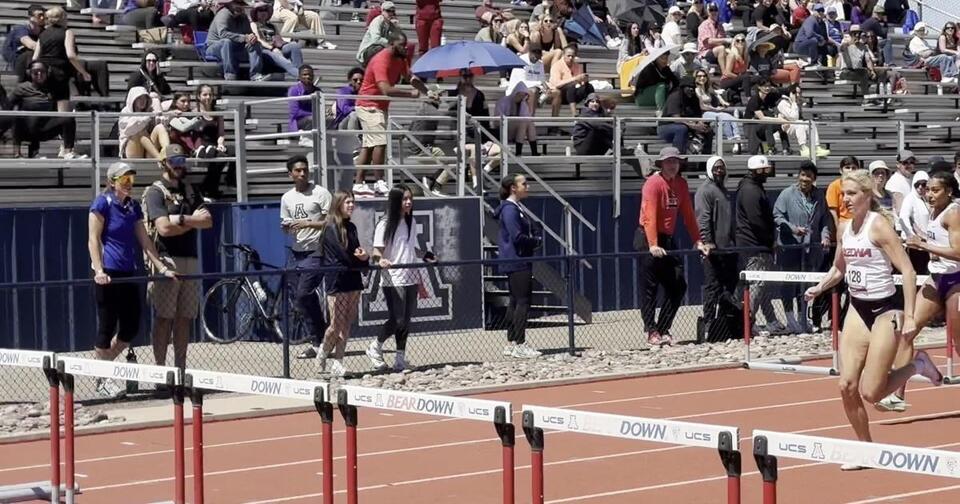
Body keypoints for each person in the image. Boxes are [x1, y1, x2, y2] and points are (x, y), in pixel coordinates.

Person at [803, 169, 941, 460]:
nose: (846, 200)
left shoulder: (879, 226)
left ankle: (917, 365)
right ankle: (865, 447)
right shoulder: (843, 228)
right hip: (858, 307)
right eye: (843, 194)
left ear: (867, 195)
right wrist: (819, 286)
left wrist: (912, 317)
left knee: (872, 393)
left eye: (852, 194)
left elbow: (907, 269)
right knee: (846, 385)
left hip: (886, 310)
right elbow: (839, 268)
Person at [89, 162, 175, 397]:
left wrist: (161, 267)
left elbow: (145, 241)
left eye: (131, 180)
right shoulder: (102, 203)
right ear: (112, 182)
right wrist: (99, 270)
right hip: (108, 272)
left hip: (128, 271)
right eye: (124, 180)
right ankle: (104, 379)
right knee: (107, 325)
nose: (129, 185)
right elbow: (93, 240)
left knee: (131, 326)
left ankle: (102, 369)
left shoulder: (133, 206)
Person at [890, 171, 960, 412]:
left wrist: (923, 244)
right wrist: (918, 240)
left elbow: (958, 252)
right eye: (927, 189)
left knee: (958, 342)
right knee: (907, 331)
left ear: (949, 191)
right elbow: (937, 243)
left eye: (935, 190)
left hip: (957, 282)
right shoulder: (933, 211)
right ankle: (896, 393)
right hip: (936, 278)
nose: (929, 194)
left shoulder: (954, 213)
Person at [144, 144, 213, 369]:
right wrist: (190, 220)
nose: (180, 166)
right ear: (164, 163)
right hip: (166, 258)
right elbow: (163, 229)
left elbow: (208, 221)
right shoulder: (155, 191)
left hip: (190, 258)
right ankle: (160, 369)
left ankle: (180, 367)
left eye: (182, 161)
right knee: (164, 317)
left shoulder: (190, 189)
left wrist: (179, 221)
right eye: (175, 162)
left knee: (185, 317)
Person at [637, 147, 708, 346]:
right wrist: (652, 244)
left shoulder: (681, 184)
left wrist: (698, 240)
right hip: (647, 237)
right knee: (649, 288)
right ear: (661, 164)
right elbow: (649, 215)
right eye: (669, 161)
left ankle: (663, 327)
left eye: (675, 161)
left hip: (667, 238)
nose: (673, 165)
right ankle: (651, 331)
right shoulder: (652, 183)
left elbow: (688, 215)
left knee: (678, 285)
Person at [367, 184, 437, 371]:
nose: (408, 203)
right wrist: (380, 260)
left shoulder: (410, 222)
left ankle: (400, 358)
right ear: (396, 201)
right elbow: (376, 251)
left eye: (410, 199)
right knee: (396, 318)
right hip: (392, 276)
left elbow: (408, 248)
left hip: (411, 274)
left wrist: (425, 254)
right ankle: (375, 346)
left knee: (406, 320)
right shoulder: (384, 224)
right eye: (404, 199)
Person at [354, 31, 429, 198]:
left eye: (405, 44)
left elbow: (410, 77)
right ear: (391, 44)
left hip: (379, 106)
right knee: (380, 141)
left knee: (369, 145)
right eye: (401, 45)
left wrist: (427, 92)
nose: (404, 48)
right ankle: (379, 181)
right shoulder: (381, 59)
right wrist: (411, 95)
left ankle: (358, 184)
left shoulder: (400, 58)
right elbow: (386, 89)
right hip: (368, 105)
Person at [280, 155, 332, 360]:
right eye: (298, 170)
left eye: (305, 169)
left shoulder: (320, 193)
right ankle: (318, 340)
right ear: (290, 174)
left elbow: (331, 221)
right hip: (296, 250)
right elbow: (285, 223)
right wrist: (286, 227)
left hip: (316, 250)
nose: (302, 173)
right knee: (301, 300)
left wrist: (309, 224)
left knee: (304, 294)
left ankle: (323, 337)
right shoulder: (287, 198)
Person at [774, 161, 832, 333]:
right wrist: (792, 229)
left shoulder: (819, 196)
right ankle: (790, 317)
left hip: (809, 249)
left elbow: (824, 220)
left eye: (808, 176)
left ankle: (802, 317)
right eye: (802, 175)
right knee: (788, 284)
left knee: (805, 284)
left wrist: (825, 236)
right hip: (790, 247)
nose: (805, 179)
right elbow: (777, 216)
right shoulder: (787, 194)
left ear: (814, 178)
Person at [318, 191, 369, 377]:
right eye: (347, 202)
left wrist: (365, 258)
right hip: (337, 279)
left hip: (353, 278)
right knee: (336, 324)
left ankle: (338, 361)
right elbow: (342, 256)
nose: (351, 205)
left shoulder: (352, 227)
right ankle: (323, 351)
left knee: (347, 322)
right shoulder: (331, 227)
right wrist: (361, 260)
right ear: (338, 204)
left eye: (353, 202)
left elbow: (356, 251)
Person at [494, 174, 543, 358]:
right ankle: (520, 343)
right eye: (524, 184)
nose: (527, 186)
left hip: (515, 259)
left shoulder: (515, 208)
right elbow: (516, 237)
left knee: (515, 301)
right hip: (517, 260)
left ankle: (511, 342)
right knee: (522, 301)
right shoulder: (510, 210)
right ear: (513, 188)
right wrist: (535, 241)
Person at [736, 155, 784, 334]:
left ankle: (770, 319)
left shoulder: (754, 187)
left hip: (758, 244)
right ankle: (748, 323)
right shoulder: (751, 190)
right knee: (757, 283)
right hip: (755, 245)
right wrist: (769, 240)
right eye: (762, 170)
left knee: (763, 284)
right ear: (754, 171)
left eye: (767, 169)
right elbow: (756, 220)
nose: (766, 173)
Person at [695, 156, 740, 342]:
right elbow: (702, 218)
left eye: (722, 167)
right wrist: (707, 242)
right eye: (716, 168)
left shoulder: (723, 190)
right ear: (709, 169)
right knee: (712, 287)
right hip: (712, 250)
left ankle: (722, 326)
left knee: (729, 288)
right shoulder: (705, 191)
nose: (719, 171)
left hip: (728, 249)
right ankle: (707, 325)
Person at [10, 61, 81, 160]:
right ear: (29, 73)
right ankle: (18, 154)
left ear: (47, 73)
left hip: (44, 128)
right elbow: (8, 105)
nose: (39, 74)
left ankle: (68, 152)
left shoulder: (52, 88)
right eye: (35, 72)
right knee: (15, 116)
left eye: (42, 72)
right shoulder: (21, 88)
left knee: (68, 119)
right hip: (26, 129)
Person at [33, 6, 96, 112]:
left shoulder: (42, 34)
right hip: (60, 74)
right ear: (62, 18)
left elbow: (35, 57)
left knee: (46, 109)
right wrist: (84, 73)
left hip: (44, 73)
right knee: (63, 111)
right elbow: (71, 55)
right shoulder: (67, 32)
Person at [206, 0, 266, 82]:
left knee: (255, 43)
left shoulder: (243, 17)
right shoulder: (223, 14)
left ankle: (255, 75)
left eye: (241, 4)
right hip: (214, 47)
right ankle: (230, 74)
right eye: (237, 3)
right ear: (230, 4)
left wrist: (252, 37)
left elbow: (249, 33)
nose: (239, 6)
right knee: (226, 42)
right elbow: (223, 34)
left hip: (235, 48)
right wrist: (244, 38)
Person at [250, 1, 303, 79]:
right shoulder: (254, 24)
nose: (263, 12)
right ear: (256, 13)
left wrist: (283, 45)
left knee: (294, 46)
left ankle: (300, 71)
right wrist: (272, 48)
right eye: (260, 10)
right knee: (286, 62)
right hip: (264, 51)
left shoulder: (272, 26)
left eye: (265, 10)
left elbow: (279, 40)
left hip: (276, 49)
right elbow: (258, 40)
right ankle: (302, 77)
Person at [659, 76, 712, 154]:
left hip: (687, 126)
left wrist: (700, 124)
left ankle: (704, 162)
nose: (691, 89)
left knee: (708, 131)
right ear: (683, 87)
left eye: (693, 87)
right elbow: (676, 118)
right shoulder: (675, 96)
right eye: (688, 87)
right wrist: (693, 126)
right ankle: (678, 156)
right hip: (666, 127)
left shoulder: (694, 98)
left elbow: (698, 116)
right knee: (681, 129)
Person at [776, 84, 829, 157]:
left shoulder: (796, 102)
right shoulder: (783, 103)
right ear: (790, 93)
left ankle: (817, 147)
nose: (797, 95)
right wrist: (794, 103)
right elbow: (793, 117)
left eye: (799, 93)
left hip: (794, 125)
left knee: (810, 123)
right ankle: (803, 148)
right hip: (785, 127)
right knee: (800, 123)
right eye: (795, 93)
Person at [694, 68, 741, 144]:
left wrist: (723, 102)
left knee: (731, 118)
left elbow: (717, 94)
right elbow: (702, 106)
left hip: (712, 112)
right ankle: (731, 139)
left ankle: (737, 137)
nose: (702, 78)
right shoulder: (697, 90)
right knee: (724, 117)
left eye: (704, 76)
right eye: (699, 76)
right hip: (704, 113)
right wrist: (715, 109)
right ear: (695, 77)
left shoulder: (707, 89)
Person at [898, 171, 931, 275]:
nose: (920, 187)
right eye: (918, 184)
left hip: (924, 244)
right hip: (914, 246)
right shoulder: (910, 198)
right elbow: (903, 218)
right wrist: (911, 236)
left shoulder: (924, 200)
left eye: (924, 184)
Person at [548, 44, 593, 117]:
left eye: (572, 56)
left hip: (575, 92)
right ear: (563, 55)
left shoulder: (577, 66)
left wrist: (584, 80)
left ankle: (591, 111)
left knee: (589, 86)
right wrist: (574, 79)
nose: (571, 58)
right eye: (568, 56)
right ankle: (574, 113)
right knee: (571, 86)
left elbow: (580, 82)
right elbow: (557, 84)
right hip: (561, 94)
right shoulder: (556, 66)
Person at [271, 0, 336, 50]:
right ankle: (283, 42)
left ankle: (321, 41)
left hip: (295, 9)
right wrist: (292, 9)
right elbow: (283, 1)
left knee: (314, 16)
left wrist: (300, 9)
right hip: (281, 9)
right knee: (292, 17)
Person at [3, 4, 44, 83]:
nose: (42, 18)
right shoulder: (21, 29)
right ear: (30, 18)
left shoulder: (44, 31)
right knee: (29, 54)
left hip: (33, 65)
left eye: (43, 15)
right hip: (16, 63)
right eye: (39, 15)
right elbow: (31, 44)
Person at [742, 80, 781, 154]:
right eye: (765, 86)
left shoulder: (769, 97)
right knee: (768, 123)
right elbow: (762, 118)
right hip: (750, 126)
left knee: (781, 126)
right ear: (759, 87)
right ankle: (770, 147)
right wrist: (779, 119)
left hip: (762, 126)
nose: (767, 88)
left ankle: (786, 148)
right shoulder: (754, 99)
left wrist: (781, 120)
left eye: (769, 86)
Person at [356, 1, 399, 66]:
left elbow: (397, 37)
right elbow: (376, 39)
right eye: (388, 11)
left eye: (392, 11)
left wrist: (396, 27)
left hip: (378, 48)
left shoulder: (390, 24)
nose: (390, 13)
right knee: (381, 48)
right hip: (368, 50)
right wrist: (390, 43)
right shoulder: (377, 21)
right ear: (383, 11)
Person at [288, 64, 316, 146]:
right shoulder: (294, 90)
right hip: (298, 122)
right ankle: (304, 138)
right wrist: (314, 114)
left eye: (310, 75)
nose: (307, 77)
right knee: (313, 119)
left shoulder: (317, 91)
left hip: (315, 120)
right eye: (304, 74)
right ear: (299, 76)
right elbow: (295, 112)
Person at [885, 150, 917, 218]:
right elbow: (900, 211)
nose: (909, 165)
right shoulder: (894, 182)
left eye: (912, 162)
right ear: (898, 164)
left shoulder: (913, 179)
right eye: (905, 162)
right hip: (902, 226)